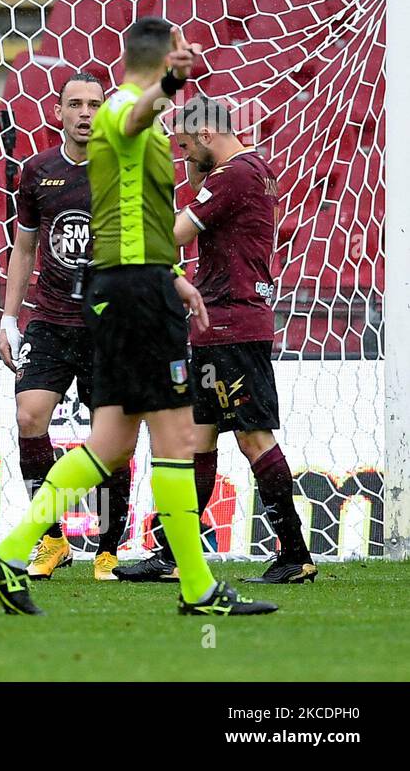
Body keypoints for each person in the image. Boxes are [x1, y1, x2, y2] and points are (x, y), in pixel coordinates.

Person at [0, 18, 278, 616]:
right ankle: (198, 589)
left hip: (130, 286)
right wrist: (169, 82)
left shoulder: (138, 129)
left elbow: (133, 217)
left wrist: (173, 276)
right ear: (159, 58)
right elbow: (137, 117)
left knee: (110, 443)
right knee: (177, 438)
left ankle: (7, 553)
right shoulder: (124, 111)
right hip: (135, 297)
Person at [117, 95, 315, 584]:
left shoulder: (235, 174)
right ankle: (173, 555)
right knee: (198, 439)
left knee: (252, 436)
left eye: (186, 149)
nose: (185, 160)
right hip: (218, 324)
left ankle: (295, 554)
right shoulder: (252, 170)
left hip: (233, 324)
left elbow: (176, 232)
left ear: (207, 136)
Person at [0, 72, 132, 581]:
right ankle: (52, 542)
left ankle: (107, 548)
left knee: (113, 439)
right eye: (74, 104)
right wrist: (9, 318)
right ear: (57, 112)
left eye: (94, 104)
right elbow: (25, 246)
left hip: (109, 326)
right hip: (50, 320)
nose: (84, 113)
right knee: (30, 417)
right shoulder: (37, 171)